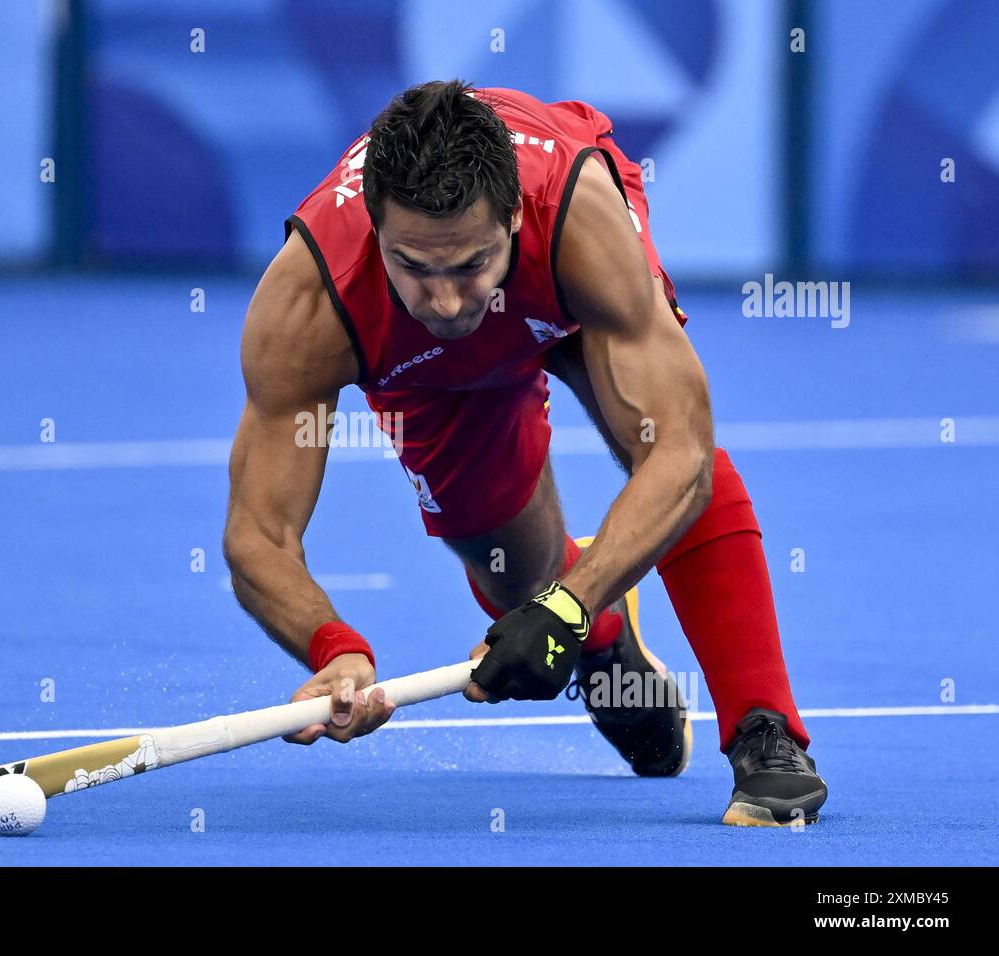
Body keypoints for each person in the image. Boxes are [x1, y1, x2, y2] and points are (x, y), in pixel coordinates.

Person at [224, 80, 827, 826]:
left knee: (655, 448)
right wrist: (335, 648)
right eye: (414, 266)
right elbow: (259, 538)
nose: (447, 302)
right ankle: (607, 648)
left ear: (511, 216)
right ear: (376, 229)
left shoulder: (577, 220)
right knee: (515, 578)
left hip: (555, 286)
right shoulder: (311, 300)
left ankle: (764, 734)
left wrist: (565, 607)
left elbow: (681, 453)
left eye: (470, 263)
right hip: (428, 375)